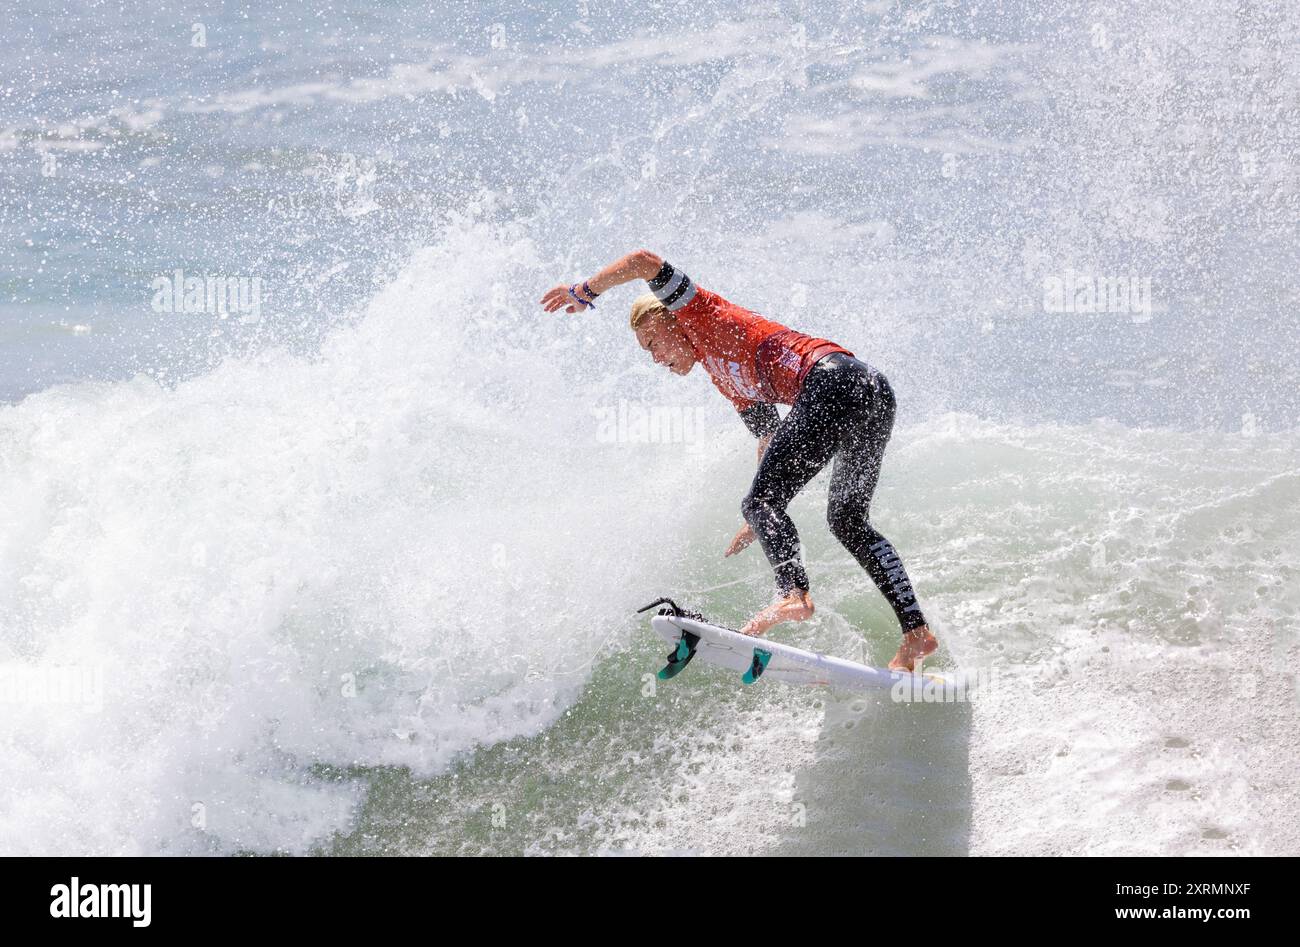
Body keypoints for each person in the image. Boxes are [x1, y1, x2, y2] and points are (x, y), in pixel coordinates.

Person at [540, 249, 938, 672]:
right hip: (871, 392)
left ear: (672, 318)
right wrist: (760, 518)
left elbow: (642, 261)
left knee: (763, 501)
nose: (656, 358)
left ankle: (794, 594)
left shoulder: (701, 313)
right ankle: (916, 633)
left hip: (835, 381)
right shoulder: (727, 380)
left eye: (653, 343)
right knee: (846, 520)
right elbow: (771, 439)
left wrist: (584, 291)